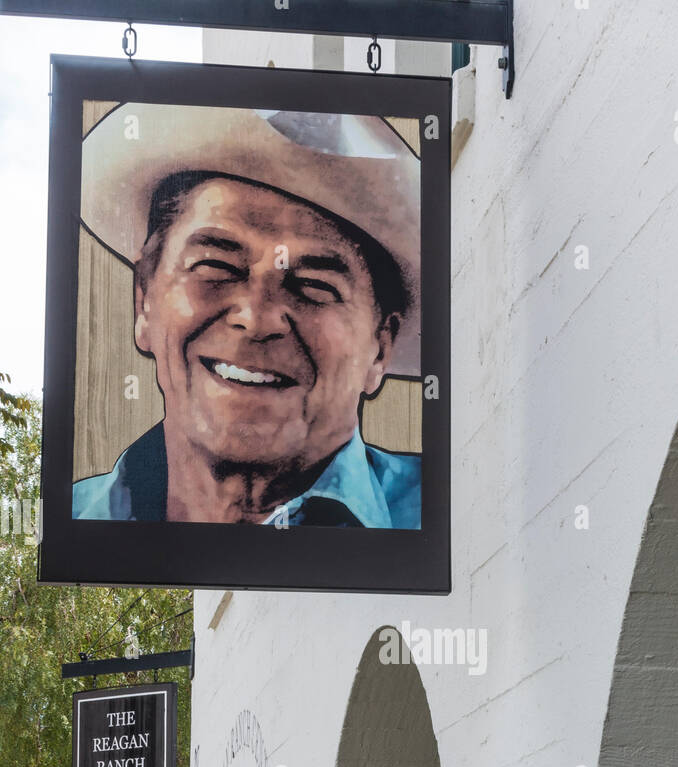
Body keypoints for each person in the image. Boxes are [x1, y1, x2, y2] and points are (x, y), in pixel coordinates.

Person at [72, 106, 422, 530]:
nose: (256, 318)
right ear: (144, 300)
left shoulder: (454, 513)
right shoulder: (75, 516)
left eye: (314, 285)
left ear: (379, 350)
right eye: (216, 266)